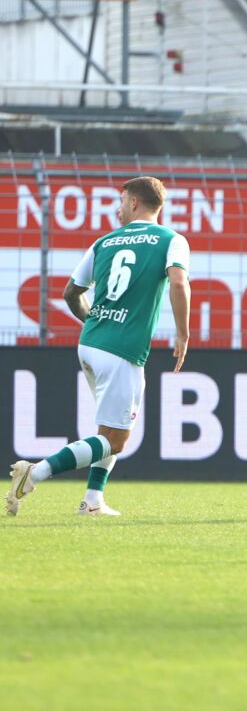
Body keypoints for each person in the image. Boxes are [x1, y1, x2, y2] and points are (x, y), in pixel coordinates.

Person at [7, 177, 190, 518]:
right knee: (116, 439)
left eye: (121, 200)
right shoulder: (171, 239)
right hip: (122, 352)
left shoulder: (103, 242)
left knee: (107, 428)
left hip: (91, 343)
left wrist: (98, 323)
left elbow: (70, 294)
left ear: (135, 202)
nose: (118, 207)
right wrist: (183, 333)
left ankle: (93, 500)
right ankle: (37, 472)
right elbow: (178, 282)